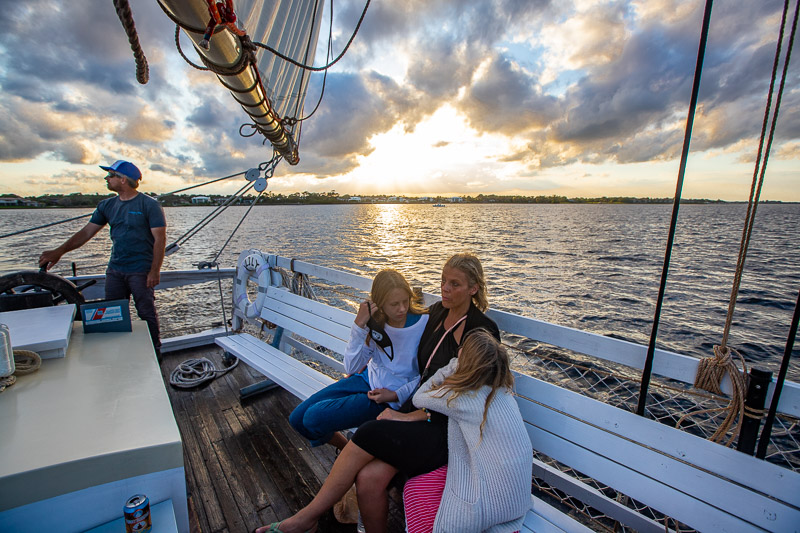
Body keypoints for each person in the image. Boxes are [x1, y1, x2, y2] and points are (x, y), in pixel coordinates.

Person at [254, 252, 499, 533]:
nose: (445, 288)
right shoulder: (439, 313)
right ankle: (313, 515)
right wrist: (370, 324)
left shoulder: (481, 331)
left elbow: (468, 399)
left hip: (446, 429)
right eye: (443, 281)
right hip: (415, 407)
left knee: (368, 431)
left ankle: (305, 519)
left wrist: (407, 416)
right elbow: (415, 361)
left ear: (474, 288)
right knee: (368, 478)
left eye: (455, 284)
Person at [403, 329, 533, 533]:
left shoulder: (462, 398)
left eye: (462, 350)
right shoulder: (503, 391)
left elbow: (419, 398)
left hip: (492, 498)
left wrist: (451, 367)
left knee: (414, 490)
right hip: (517, 498)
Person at [289, 268, 429, 451]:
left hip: (387, 398)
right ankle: (346, 448)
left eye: (405, 301)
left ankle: (349, 453)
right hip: (366, 379)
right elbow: (352, 367)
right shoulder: (376, 323)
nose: (402, 308)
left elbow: (427, 374)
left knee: (312, 418)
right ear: (379, 304)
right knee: (297, 419)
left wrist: (396, 395)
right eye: (394, 304)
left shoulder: (423, 323)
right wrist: (359, 325)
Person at [39, 160, 167, 354]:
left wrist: (154, 271)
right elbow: (86, 233)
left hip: (140, 271)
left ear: (123, 180)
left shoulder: (149, 205)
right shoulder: (106, 206)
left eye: (110, 175)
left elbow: (160, 239)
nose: (106, 178)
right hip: (115, 270)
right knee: (113, 313)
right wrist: (59, 251)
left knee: (146, 312)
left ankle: (155, 352)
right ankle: (116, 352)